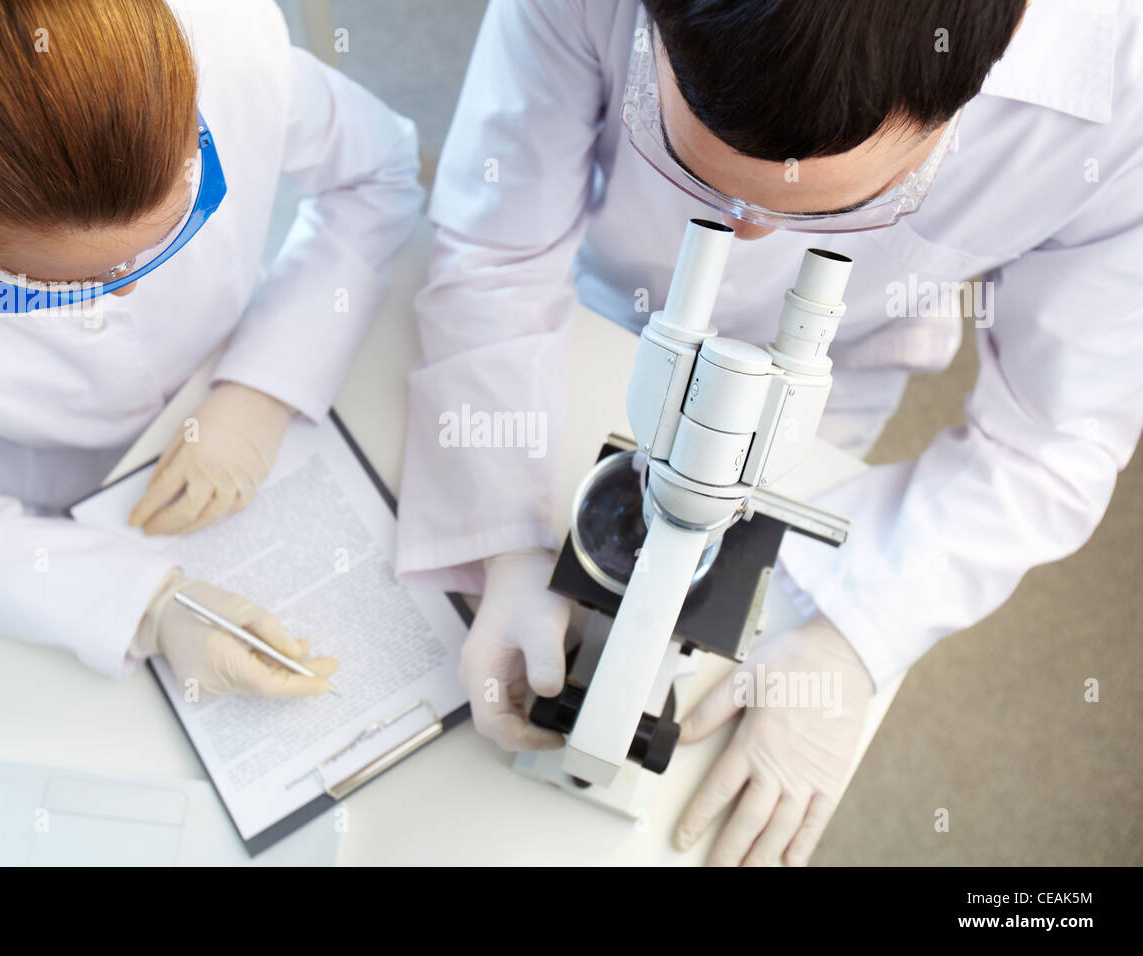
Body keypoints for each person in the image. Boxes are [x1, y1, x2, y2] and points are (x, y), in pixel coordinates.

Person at [397, 0, 1143, 864]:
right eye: (692, 170)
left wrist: (857, 633)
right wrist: (506, 540)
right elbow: (498, 255)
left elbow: (1048, 443)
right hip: (601, 314)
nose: (743, 233)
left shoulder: (1121, 91)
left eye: (834, 215)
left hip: (838, 374)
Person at [0, 0, 422, 698]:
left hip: (247, 372)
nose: (123, 296)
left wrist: (265, 387)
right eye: (45, 288)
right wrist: (149, 608)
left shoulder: (226, 37)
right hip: (45, 490)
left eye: (171, 231)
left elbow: (378, 171)